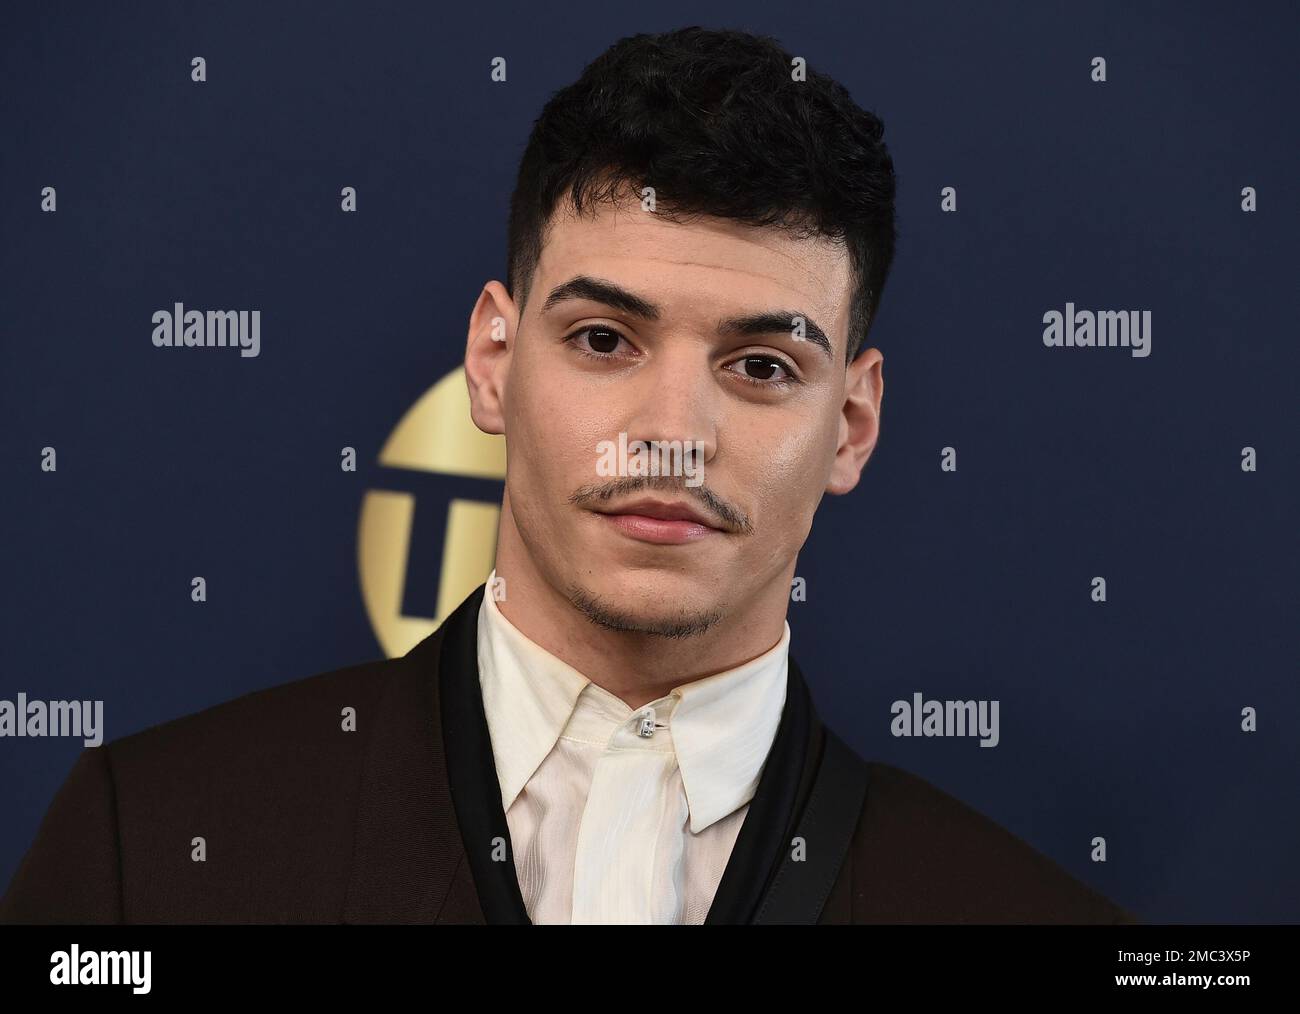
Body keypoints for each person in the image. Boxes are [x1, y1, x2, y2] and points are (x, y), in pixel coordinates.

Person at [0, 26, 1132, 925]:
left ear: (850, 425)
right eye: (604, 340)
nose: (667, 436)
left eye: (758, 365)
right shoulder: (147, 855)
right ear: (493, 365)